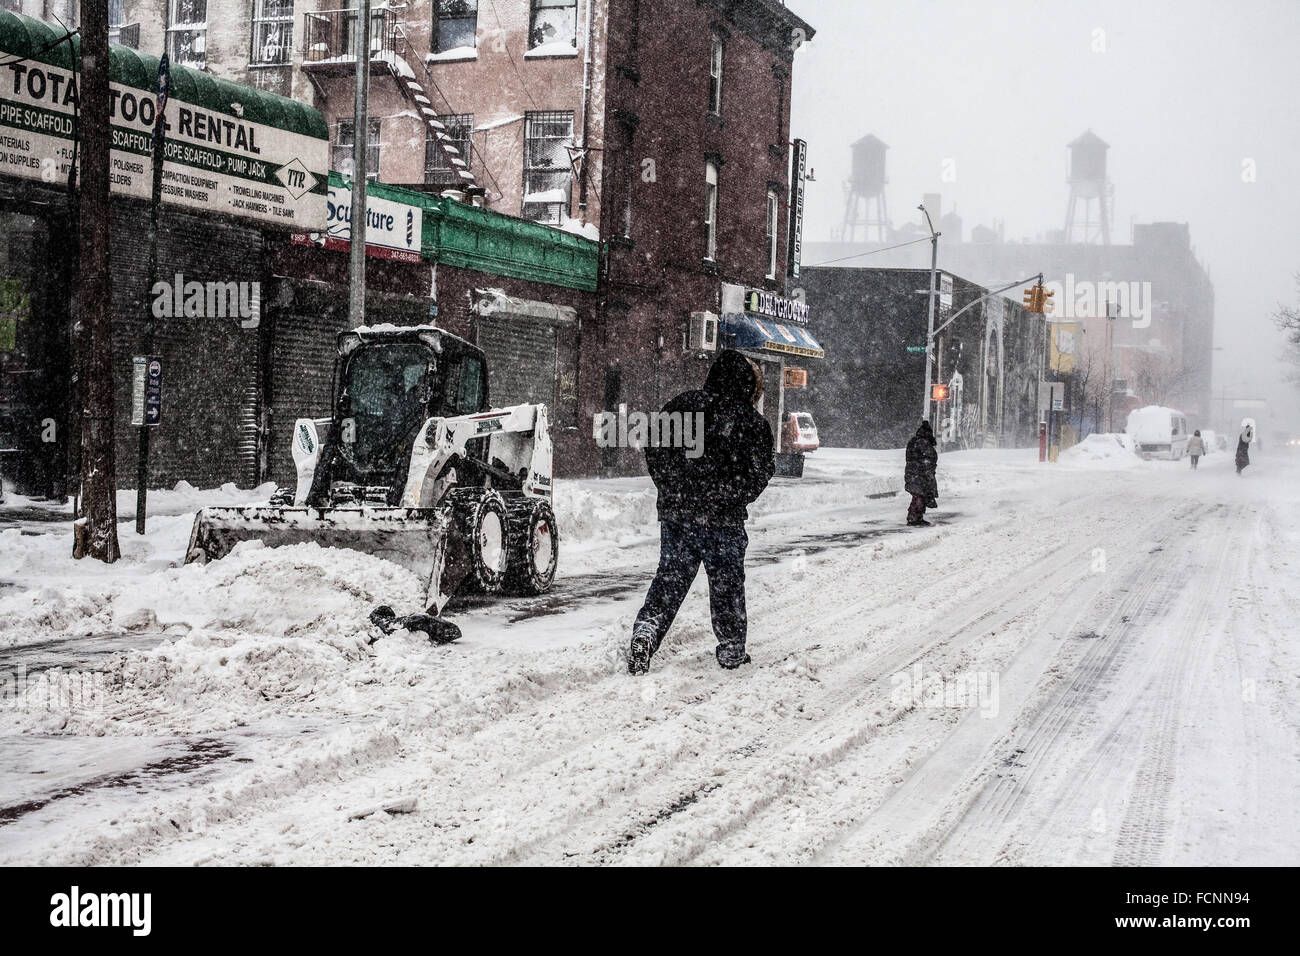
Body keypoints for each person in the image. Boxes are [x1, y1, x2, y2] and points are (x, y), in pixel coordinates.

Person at [628, 350, 775, 675]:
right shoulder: (751, 422)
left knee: (669, 579)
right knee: (727, 585)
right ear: (747, 383)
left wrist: (671, 488)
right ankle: (732, 650)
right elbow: (764, 469)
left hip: (678, 515)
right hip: (723, 520)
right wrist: (735, 496)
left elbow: (654, 449)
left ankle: (647, 632)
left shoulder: (681, 406)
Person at [905, 420, 939, 526]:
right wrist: (929, 474)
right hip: (920, 474)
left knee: (917, 495)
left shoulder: (914, 441)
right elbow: (928, 460)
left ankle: (915, 517)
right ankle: (914, 518)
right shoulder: (924, 443)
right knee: (920, 496)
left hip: (912, 473)